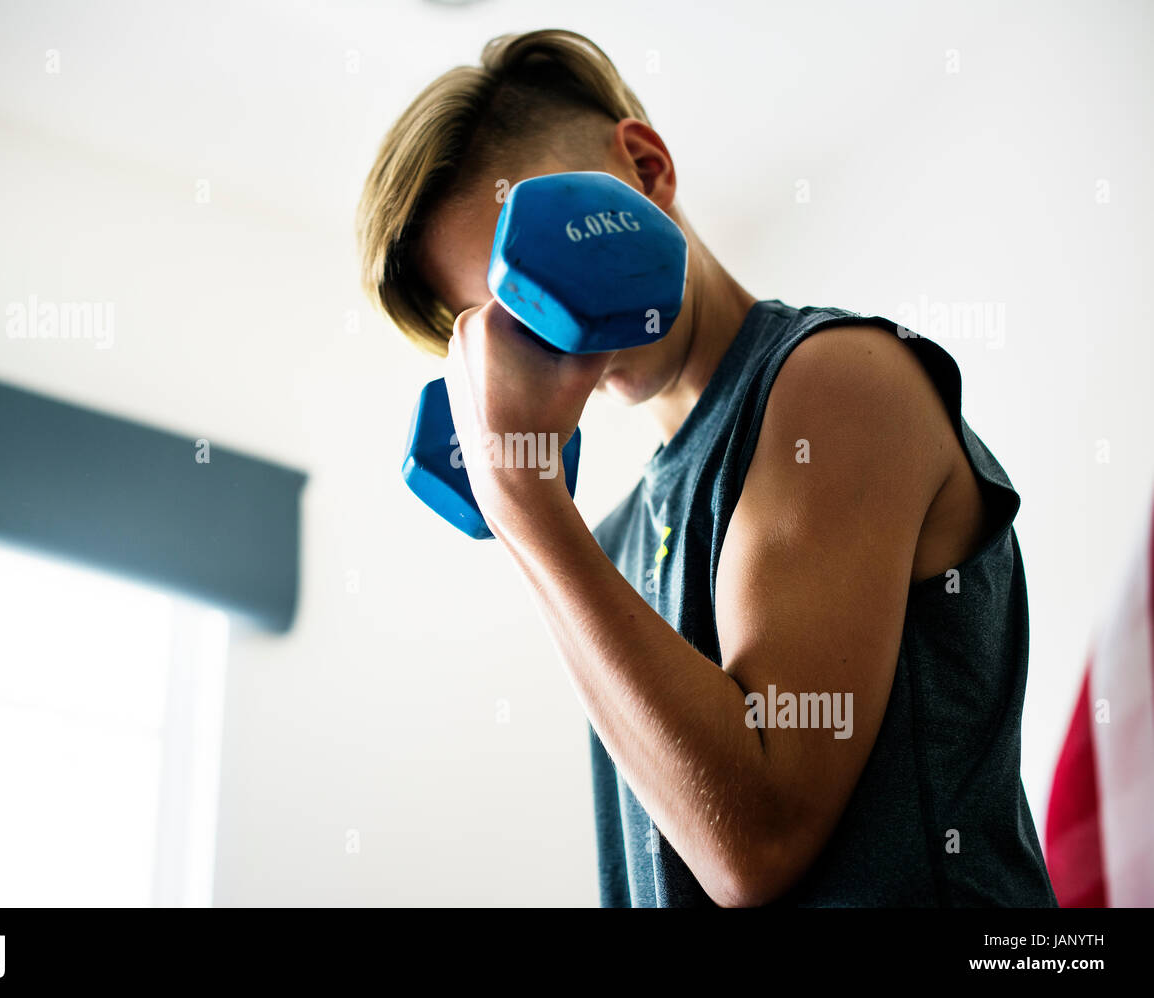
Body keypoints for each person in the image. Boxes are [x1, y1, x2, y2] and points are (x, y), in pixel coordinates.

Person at [356, 28, 1058, 907]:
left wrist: (524, 505)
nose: (549, 325)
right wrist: (534, 519)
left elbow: (754, 842)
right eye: (506, 319)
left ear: (645, 169)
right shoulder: (606, 541)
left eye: (537, 262)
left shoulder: (837, 381)